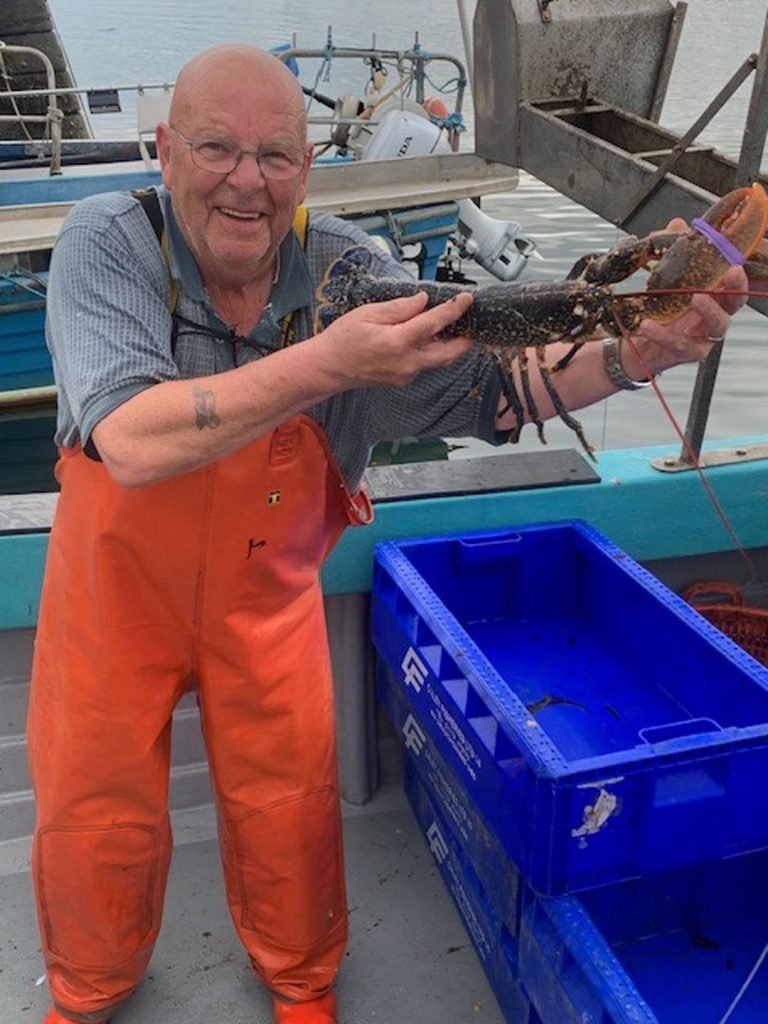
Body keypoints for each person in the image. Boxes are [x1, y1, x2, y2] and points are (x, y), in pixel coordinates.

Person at [29, 43, 744, 1024]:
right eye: (216, 148)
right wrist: (326, 363)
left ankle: (303, 982)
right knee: (90, 812)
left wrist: (636, 352)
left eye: (276, 155)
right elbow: (131, 438)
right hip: (110, 601)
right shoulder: (107, 240)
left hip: (262, 599)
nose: (248, 179)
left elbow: (502, 386)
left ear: (309, 167)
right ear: (163, 151)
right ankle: (86, 990)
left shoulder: (349, 273)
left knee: (289, 809)